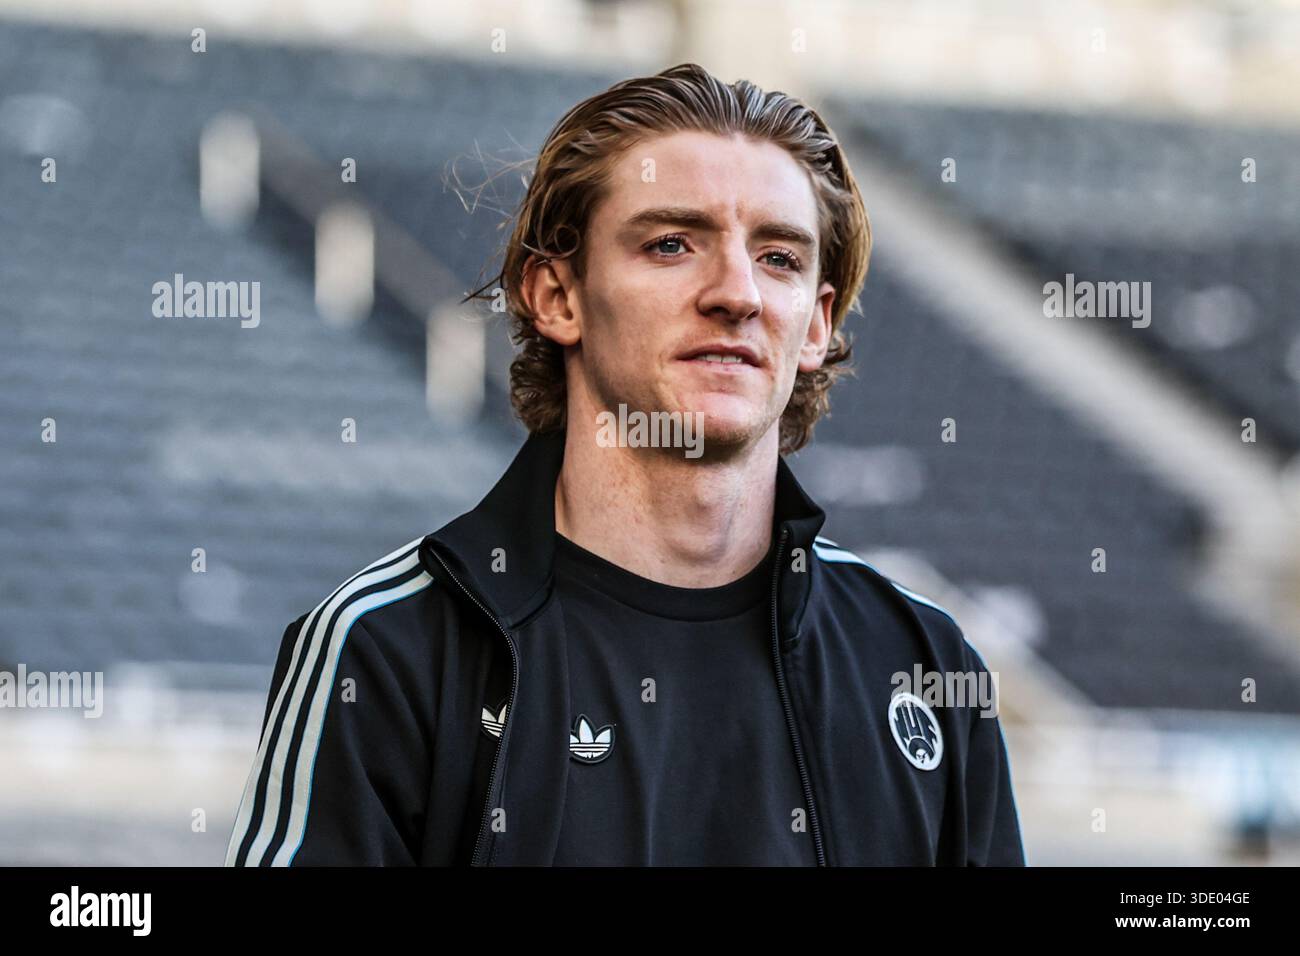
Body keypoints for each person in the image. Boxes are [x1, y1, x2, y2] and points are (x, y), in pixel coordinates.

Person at [225, 62, 1026, 867]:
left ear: (815, 326)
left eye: (780, 257)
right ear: (557, 297)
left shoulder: (925, 664)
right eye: (673, 243)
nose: (737, 293)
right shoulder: (391, 651)